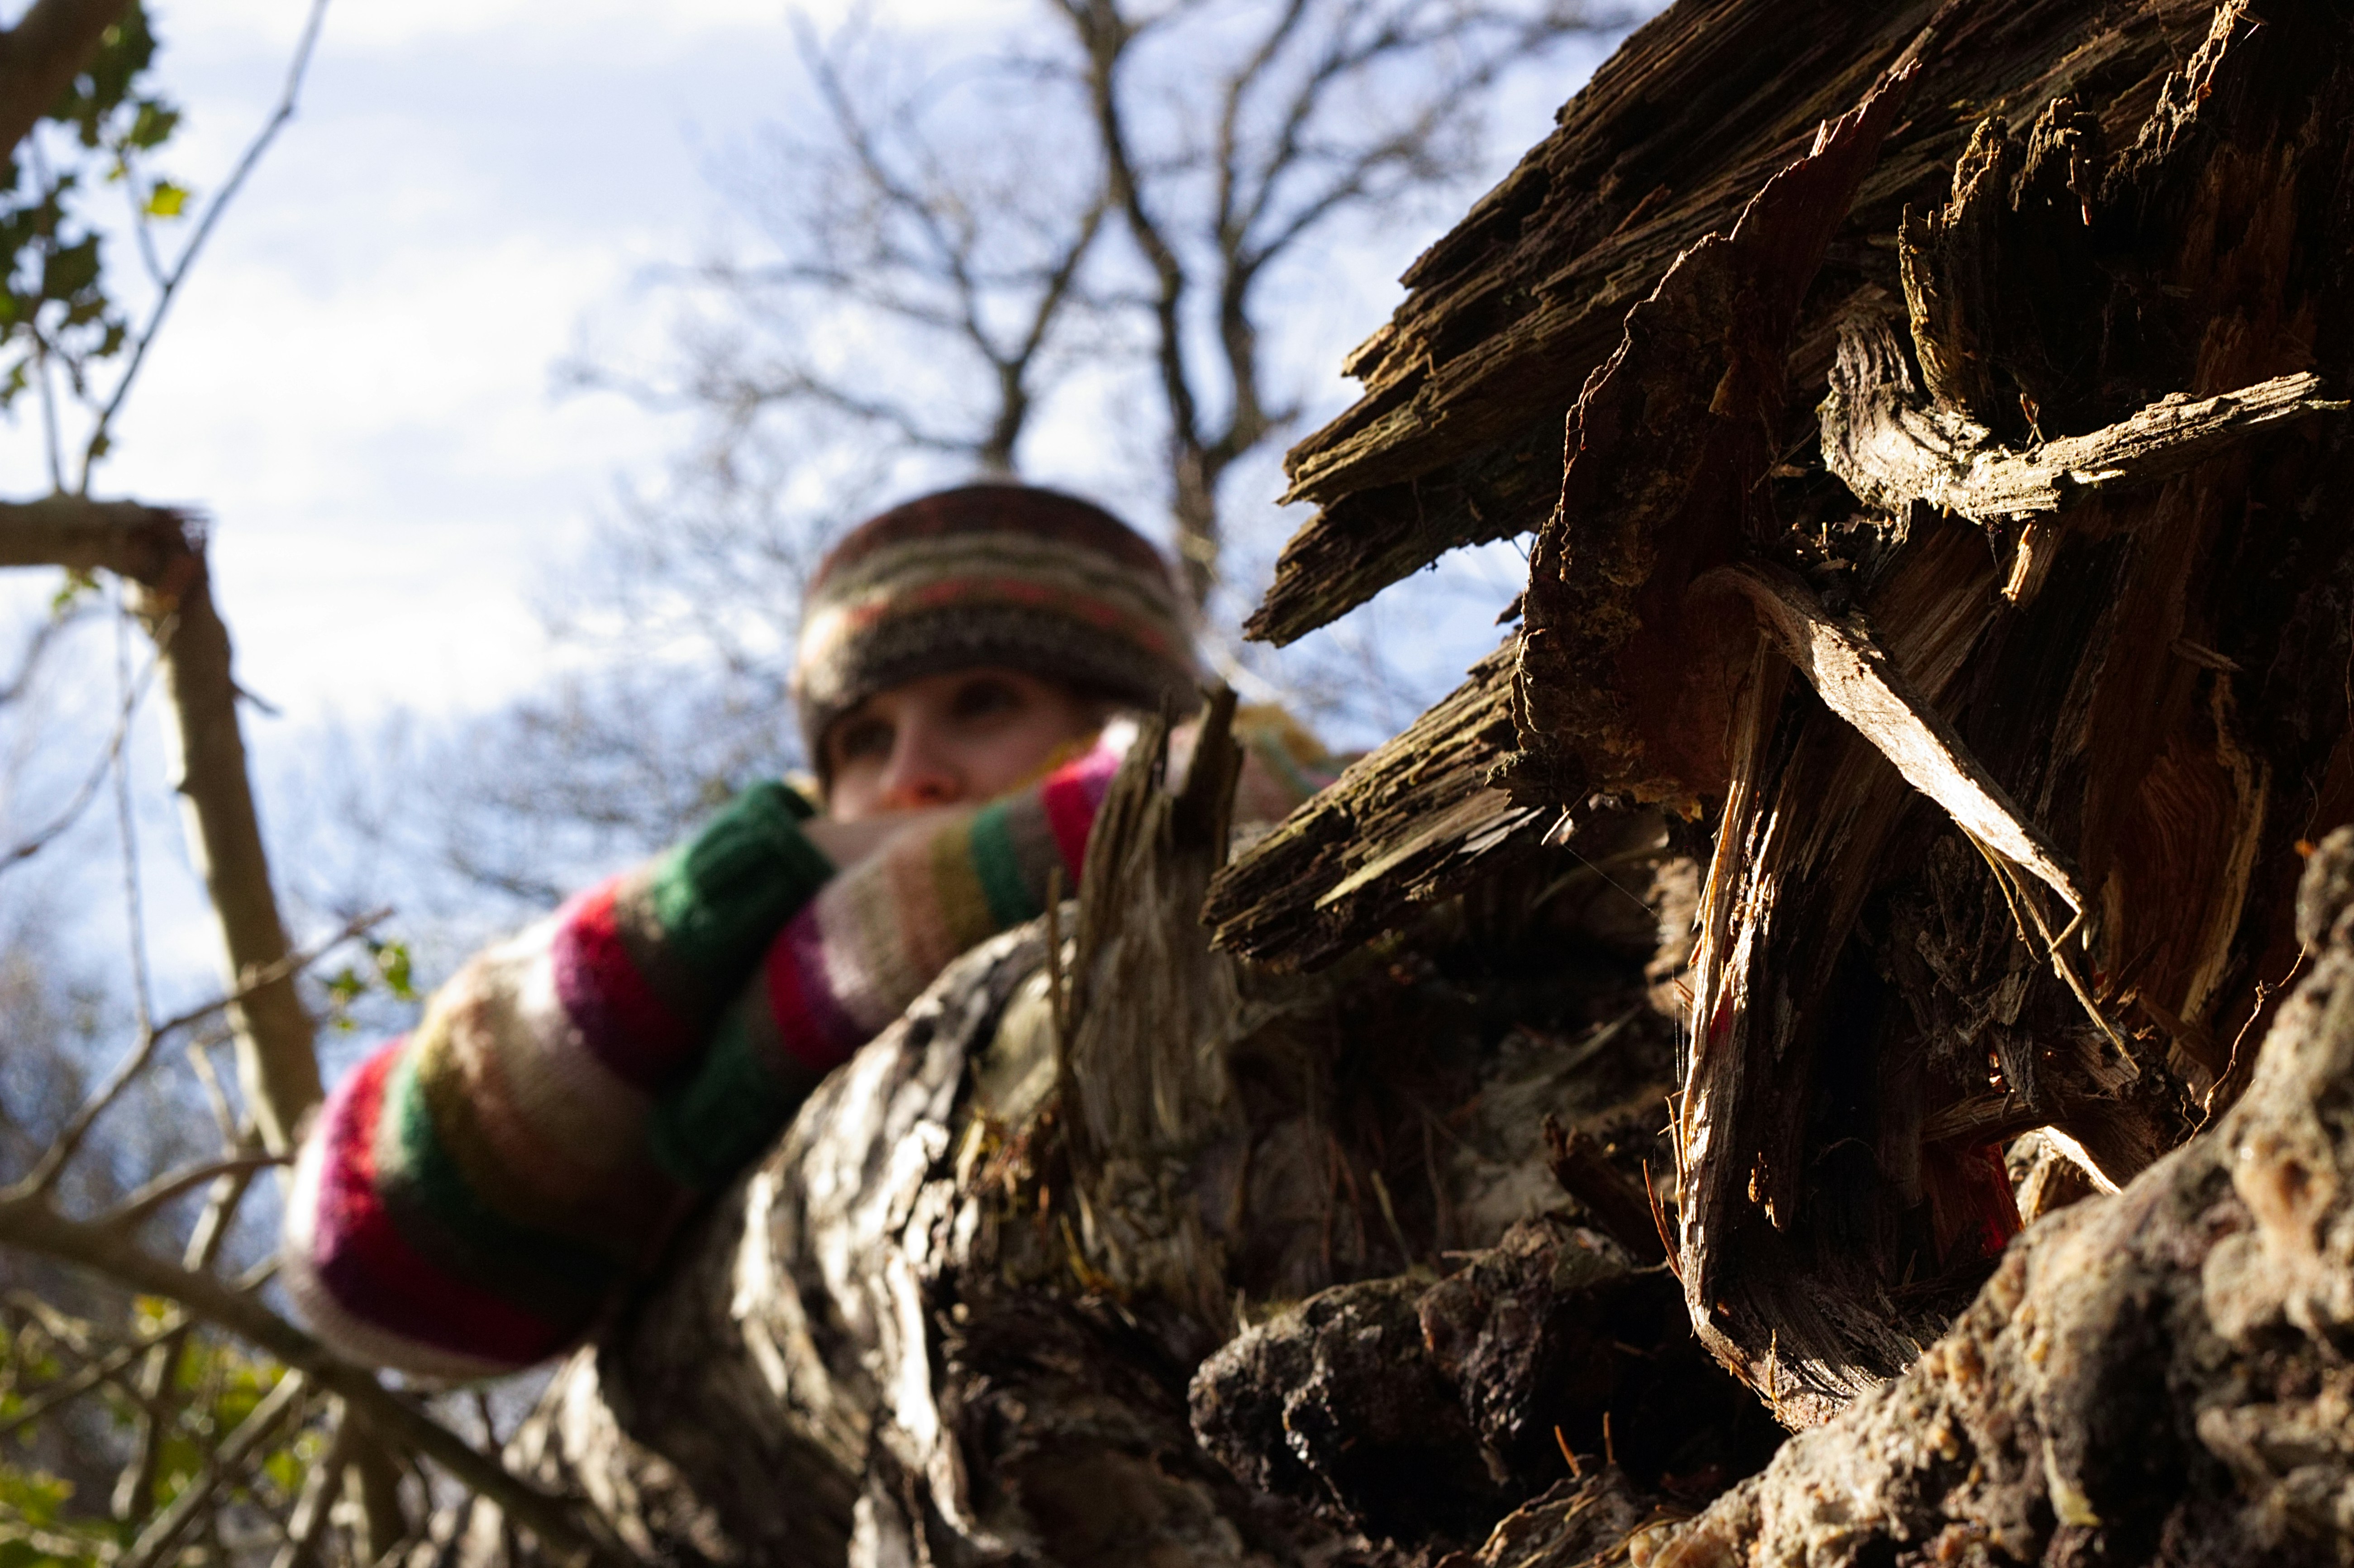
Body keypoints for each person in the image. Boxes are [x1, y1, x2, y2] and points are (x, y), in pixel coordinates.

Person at [279, 482, 1333, 1379]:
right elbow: (359, 1262)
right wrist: (735, 891)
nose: (909, 768)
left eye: (983, 702)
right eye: (864, 736)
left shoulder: (1249, 784)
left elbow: (1234, 783)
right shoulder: (731, 945)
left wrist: (807, 980)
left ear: (1111, 716)